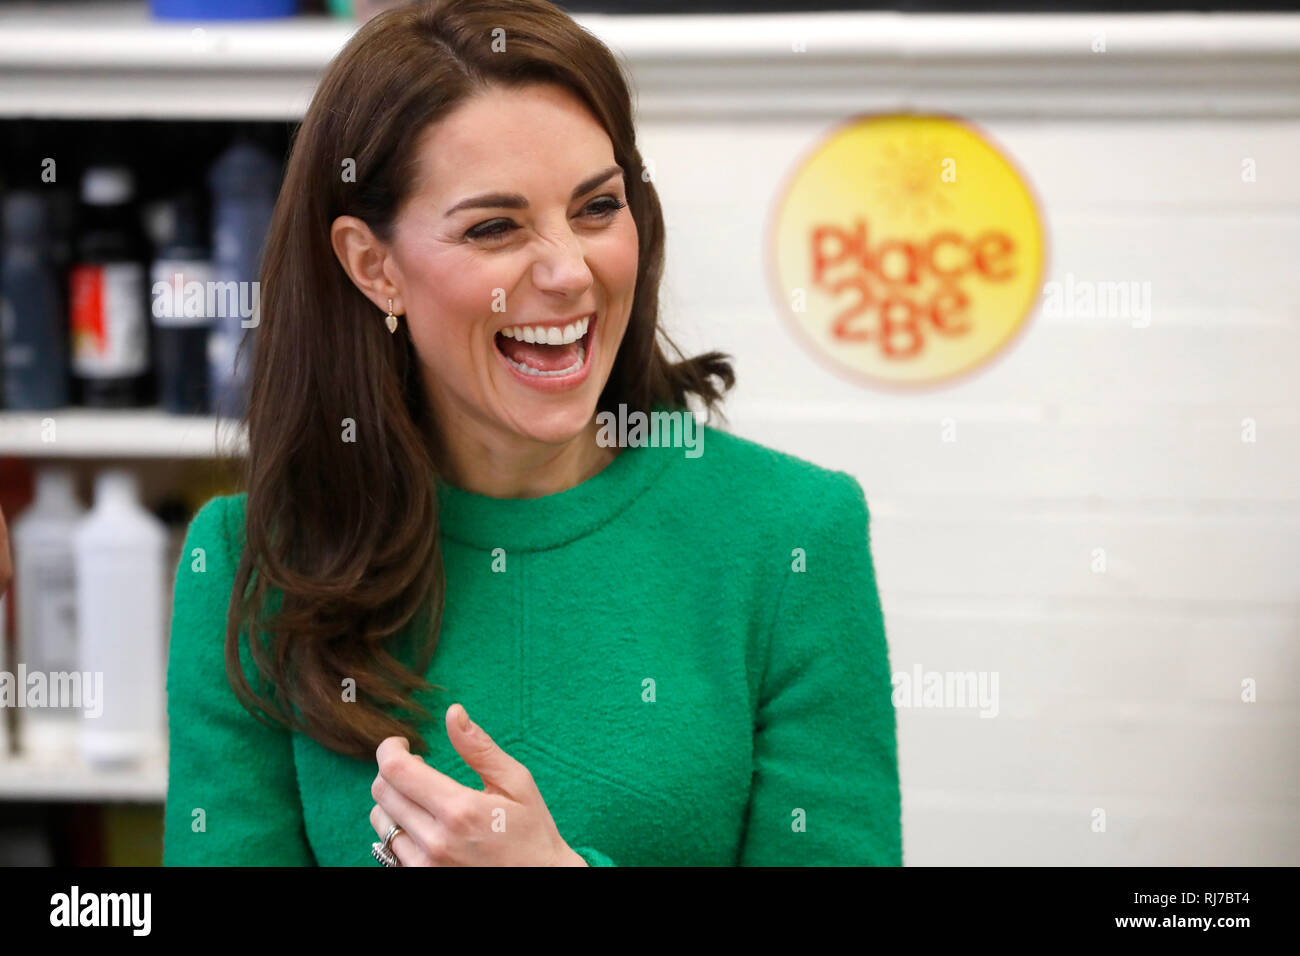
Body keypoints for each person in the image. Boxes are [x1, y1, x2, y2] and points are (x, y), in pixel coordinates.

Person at [163, 0, 901, 867]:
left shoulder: (792, 538)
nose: (567, 271)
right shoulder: (251, 564)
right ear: (374, 266)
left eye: (597, 208)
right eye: (494, 228)